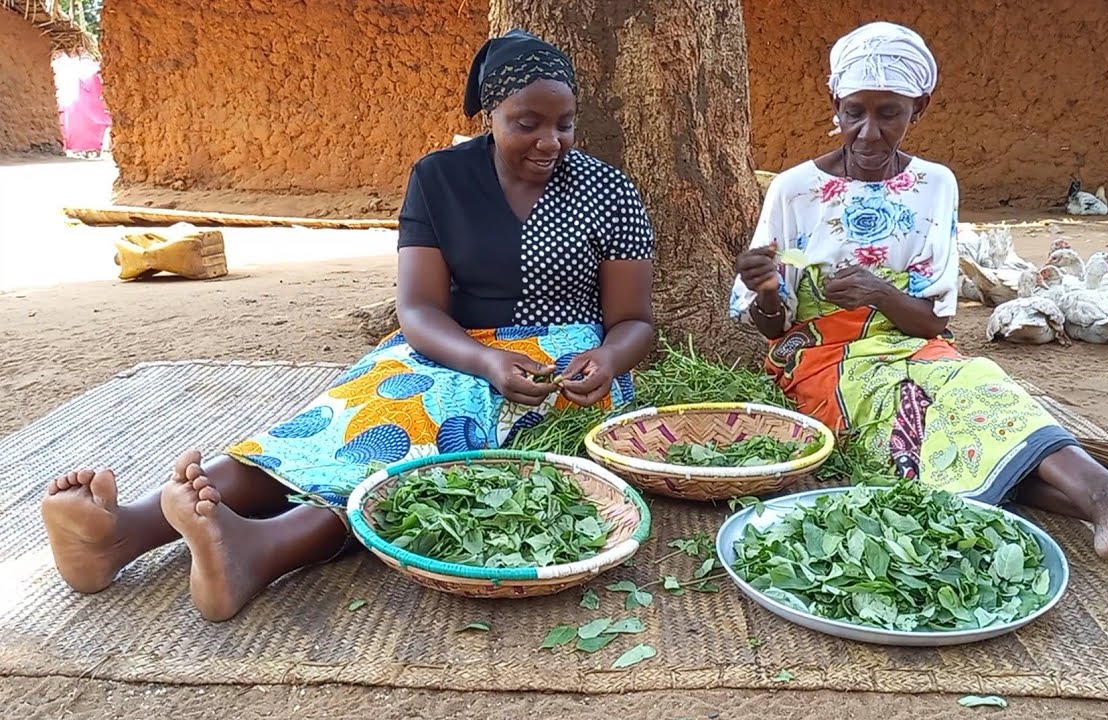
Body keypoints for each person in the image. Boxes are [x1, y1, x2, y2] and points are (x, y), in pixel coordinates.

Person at [39, 29, 657, 621]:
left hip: (566, 370)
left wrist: (606, 360)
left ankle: (262, 551)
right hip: (450, 345)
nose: (550, 141)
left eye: (564, 124)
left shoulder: (609, 189)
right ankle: (125, 533)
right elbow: (417, 310)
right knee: (349, 413)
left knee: (434, 436)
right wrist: (486, 359)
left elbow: (634, 322)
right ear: (491, 114)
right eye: (528, 124)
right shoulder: (439, 179)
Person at [729, 21, 1108, 563]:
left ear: (918, 108)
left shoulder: (934, 185)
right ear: (835, 103)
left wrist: (876, 292)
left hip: (914, 342)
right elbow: (773, 328)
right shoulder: (794, 189)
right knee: (911, 421)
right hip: (820, 361)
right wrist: (770, 295)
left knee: (976, 381)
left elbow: (932, 323)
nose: (868, 132)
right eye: (855, 111)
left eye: (889, 112)